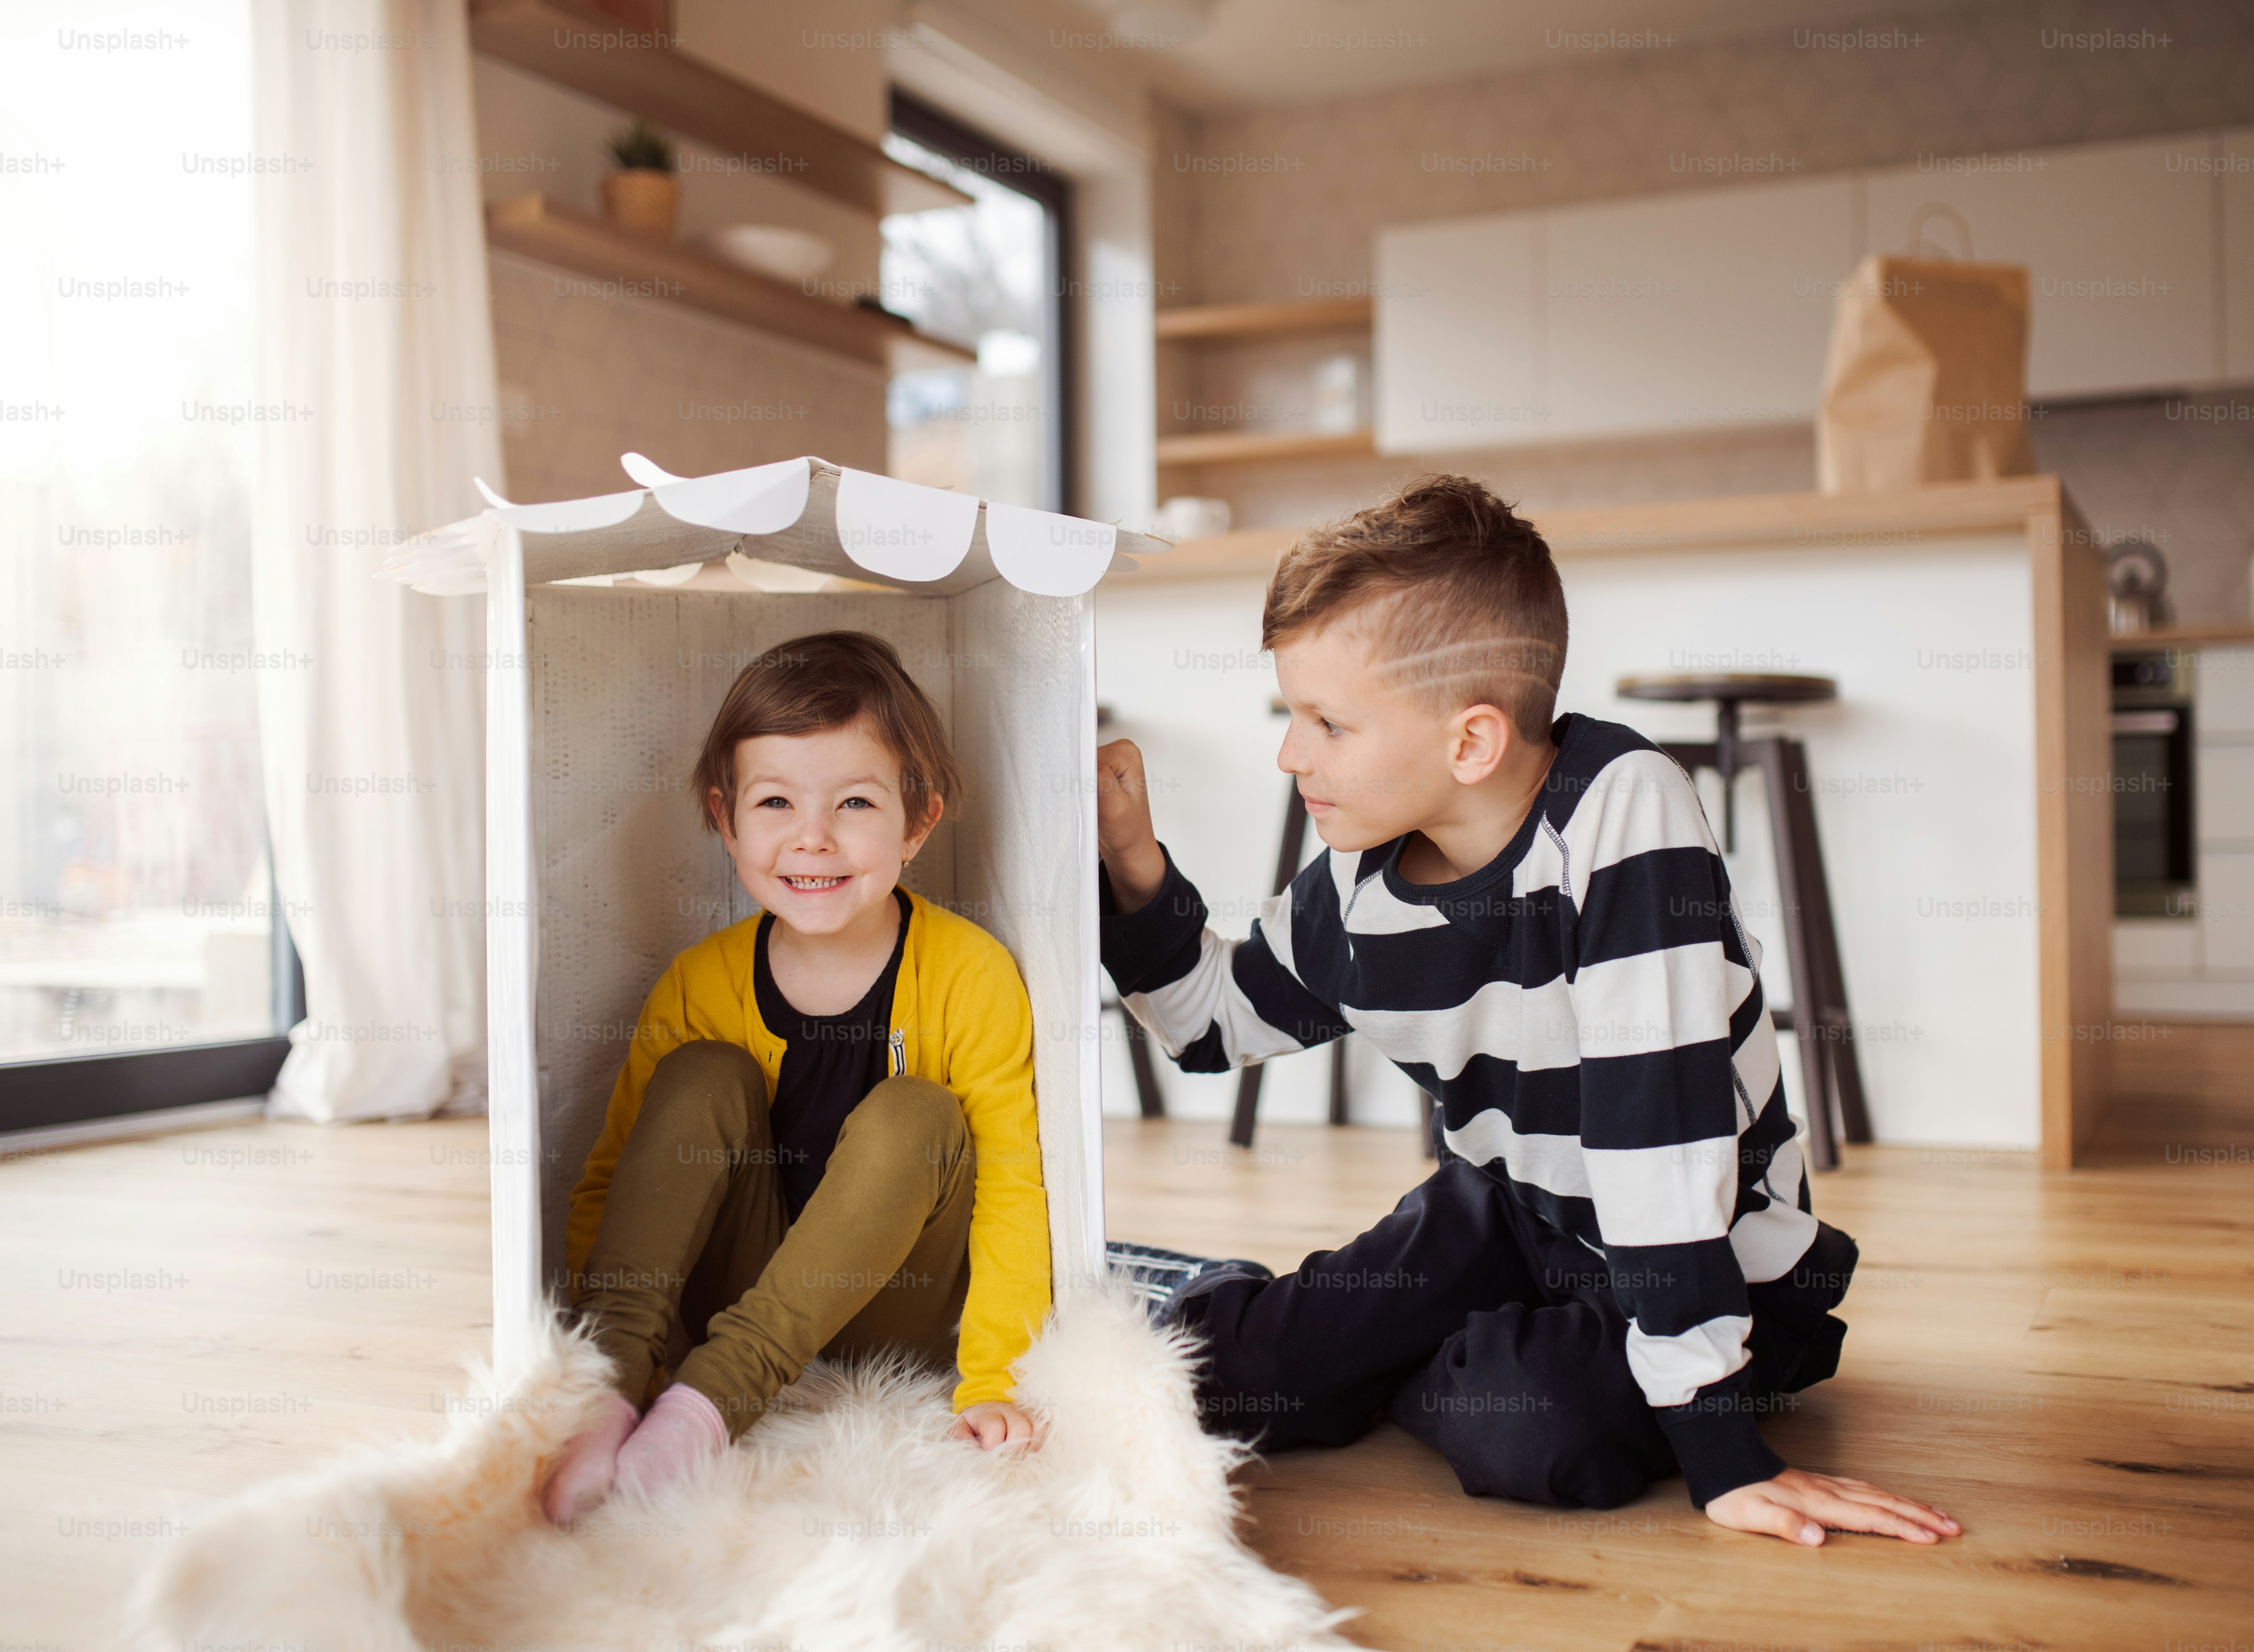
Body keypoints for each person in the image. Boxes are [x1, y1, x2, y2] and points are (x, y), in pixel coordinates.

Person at [1094, 476, 1960, 1547]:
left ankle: (1438, 1358)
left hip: (1716, 1259)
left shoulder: (1623, 813)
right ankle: (1279, 1318)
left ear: (1470, 743)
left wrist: (1727, 1456)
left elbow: (1662, 1138)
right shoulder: (1358, 884)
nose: (1290, 754)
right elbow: (1208, 1023)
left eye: (1326, 722)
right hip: (1510, 1214)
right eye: (1292, 716)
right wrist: (1130, 865)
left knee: (1536, 1434)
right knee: (1224, 1377)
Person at [542, 631, 1050, 1525]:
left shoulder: (972, 974)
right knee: (700, 1075)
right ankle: (613, 1392)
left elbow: (1012, 1179)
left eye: (855, 801)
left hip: (897, 1307)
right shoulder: (699, 982)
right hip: (737, 1283)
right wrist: (610, 1344)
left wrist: (993, 1377)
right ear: (726, 817)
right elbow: (615, 1181)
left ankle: (710, 1404)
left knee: (917, 1114)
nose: (812, 837)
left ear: (919, 817)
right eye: (775, 800)